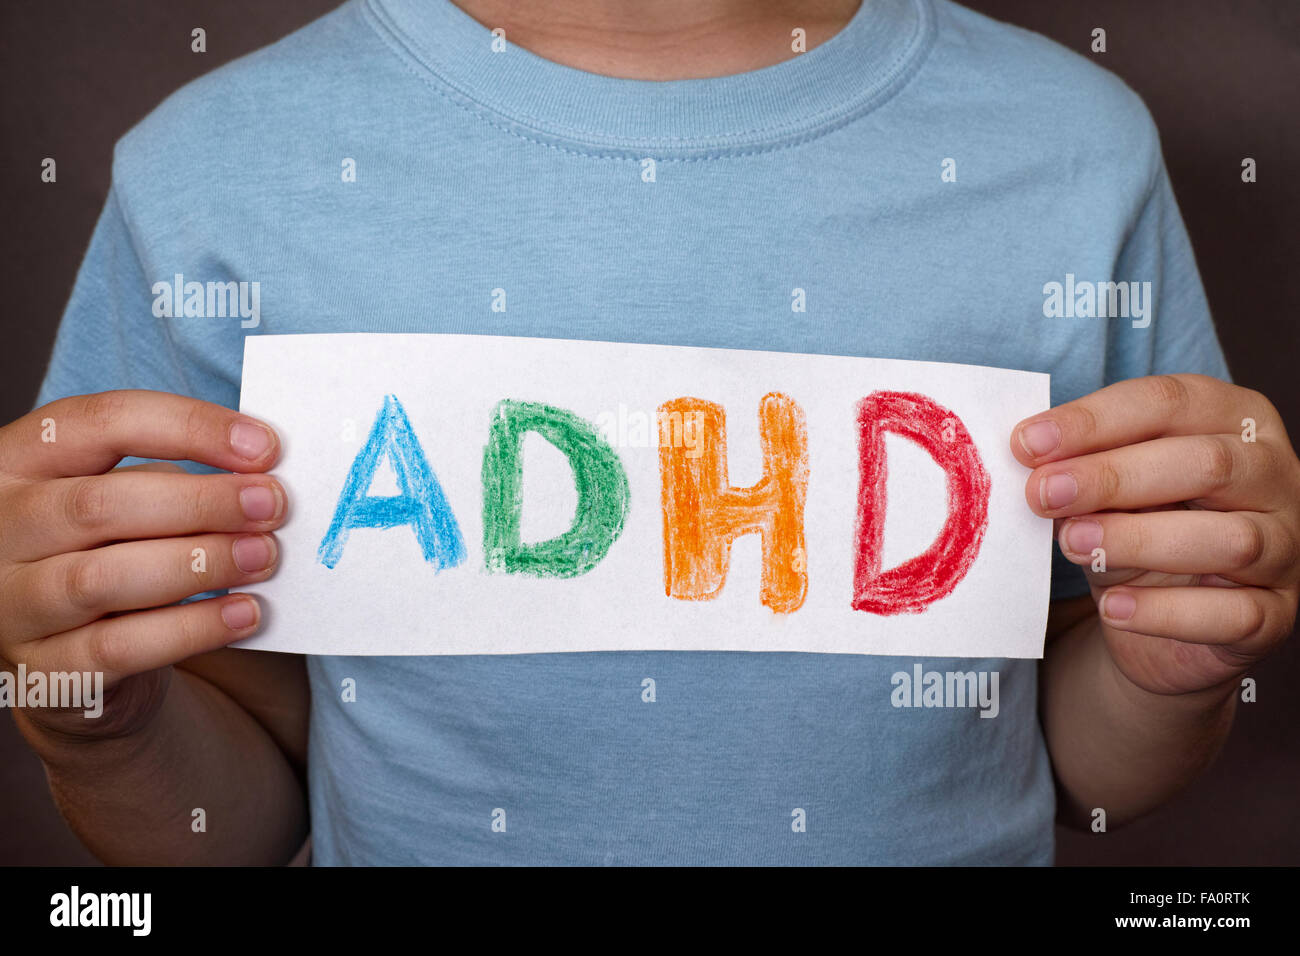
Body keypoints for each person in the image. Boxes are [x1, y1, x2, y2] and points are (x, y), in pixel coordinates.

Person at [4, 0, 1297, 865]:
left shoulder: (1073, 146)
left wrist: (1162, 669)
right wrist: (93, 724)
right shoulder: (218, 166)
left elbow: (1091, 762)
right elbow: (226, 818)